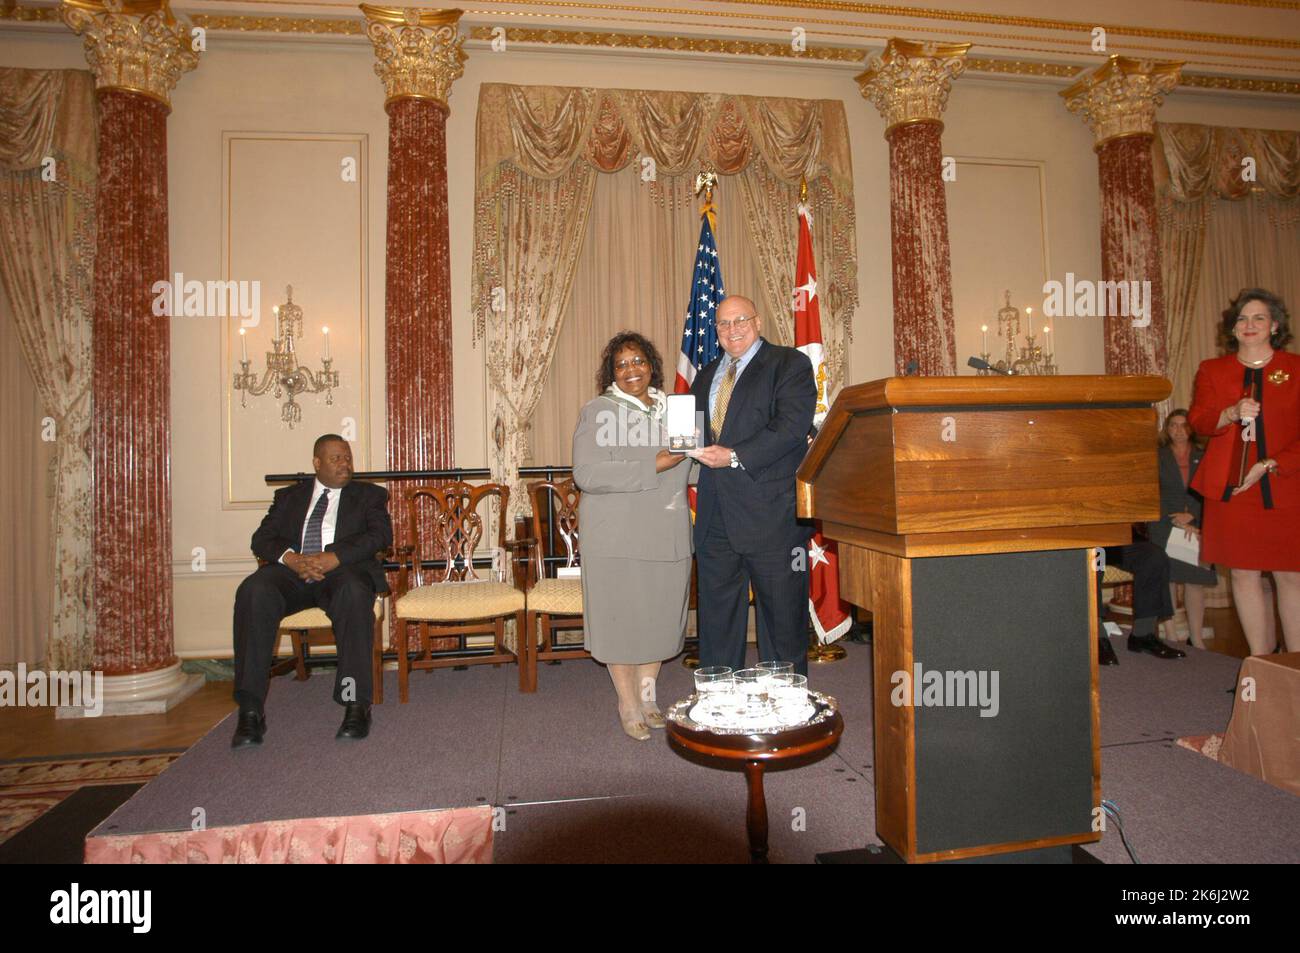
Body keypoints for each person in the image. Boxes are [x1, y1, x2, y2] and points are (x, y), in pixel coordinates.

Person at [231, 434, 392, 747]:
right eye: (336, 458)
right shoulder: (289, 497)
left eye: (347, 457)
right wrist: (291, 559)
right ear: (317, 463)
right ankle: (250, 711)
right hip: (293, 574)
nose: (345, 464)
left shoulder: (369, 495)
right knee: (253, 591)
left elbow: (380, 536)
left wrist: (335, 557)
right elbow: (261, 539)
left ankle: (355, 703)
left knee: (356, 593)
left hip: (341, 573)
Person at [572, 332, 692, 740]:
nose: (631, 370)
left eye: (638, 361)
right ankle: (627, 702)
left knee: (657, 618)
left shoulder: (676, 410)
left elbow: (688, 467)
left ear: (652, 365)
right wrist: (655, 463)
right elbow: (586, 475)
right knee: (619, 621)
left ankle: (649, 696)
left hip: (666, 530)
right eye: (621, 365)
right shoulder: (597, 411)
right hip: (615, 535)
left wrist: (711, 455)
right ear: (611, 373)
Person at [689, 295, 816, 675]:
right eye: (724, 324)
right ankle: (718, 705)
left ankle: (787, 708)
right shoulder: (706, 375)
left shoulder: (789, 363)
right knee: (717, 621)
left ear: (757, 321)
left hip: (772, 515)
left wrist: (733, 455)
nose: (732, 330)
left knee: (781, 622)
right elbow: (694, 433)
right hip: (715, 517)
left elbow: (791, 428)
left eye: (740, 320)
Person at [1188, 288, 1300, 655]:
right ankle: (1262, 664)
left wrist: (1270, 464)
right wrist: (1230, 413)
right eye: (1241, 319)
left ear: (1275, 326)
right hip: (1233, 490)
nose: (1249, 325)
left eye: (1258, 318)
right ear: (1232, 328)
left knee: (1290, 576)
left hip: (1286, 486)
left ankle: (1294, 668)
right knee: (1243, 574)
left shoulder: (1295, 369)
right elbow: (1200, 421)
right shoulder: (1213, 370)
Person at [1149, 409, 1218, 648]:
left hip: (1196, 524)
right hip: (1163, 524)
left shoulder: (1205, 454)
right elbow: (1152, 491)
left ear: (1191, 429)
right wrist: (1175, 518)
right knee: (1166, 578)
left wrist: (1192, 516)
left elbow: (1211, 490)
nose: (1178, 430)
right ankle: (1170, 633)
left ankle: (1196, 638)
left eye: (1183, 425)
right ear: (1166, 430)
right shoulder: (1156, 456)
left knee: (1194, 581)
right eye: (1173, 426)